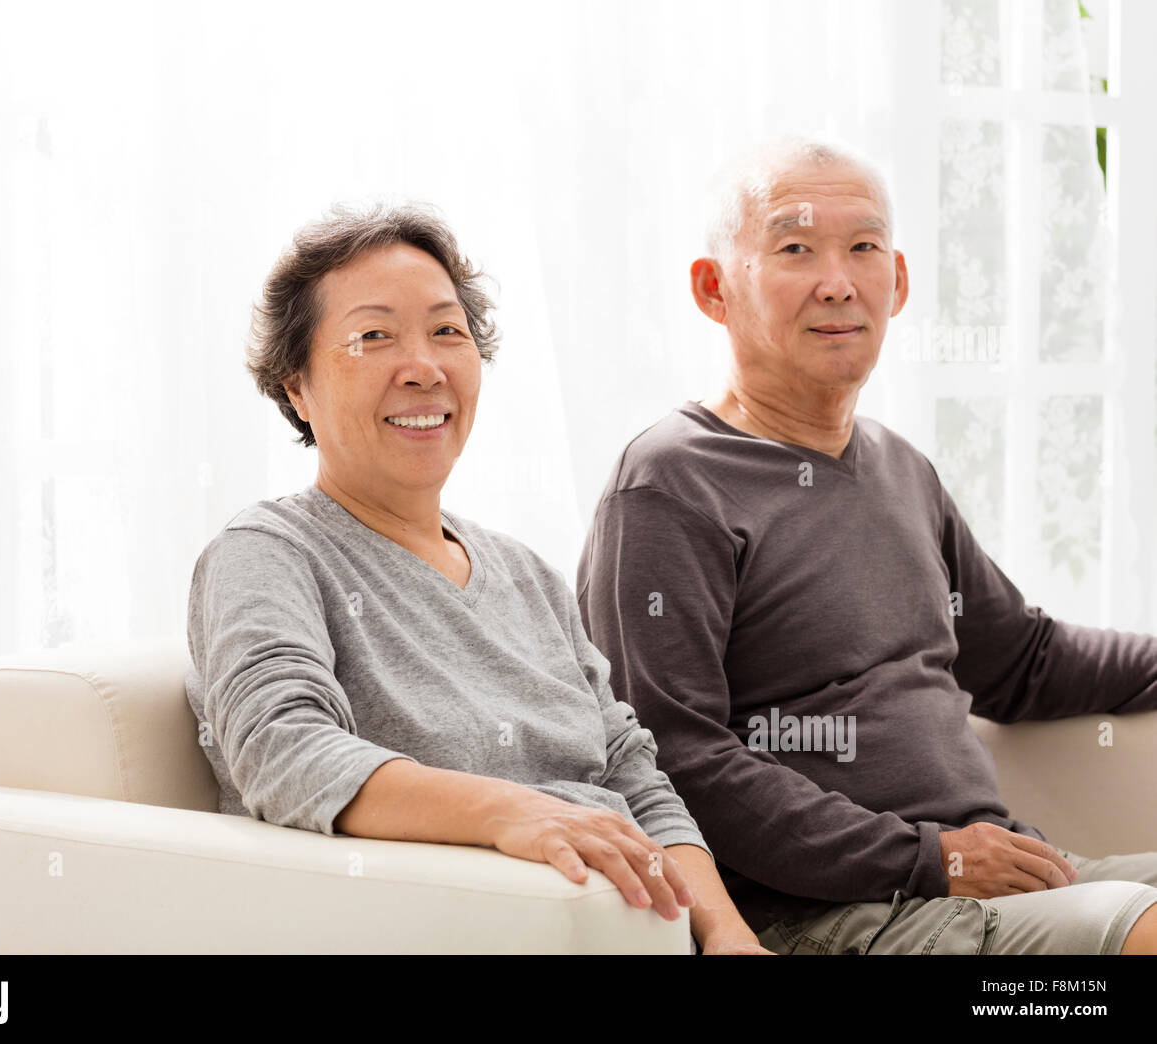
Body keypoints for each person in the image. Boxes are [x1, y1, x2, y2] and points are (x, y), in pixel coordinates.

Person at [576, 135, 1157, 955]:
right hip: (839, 914)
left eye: (863, 249)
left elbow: (1022, 661)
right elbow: (672, 757)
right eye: (794, 250)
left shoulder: (898, 467)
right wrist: (931, 858)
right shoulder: (668, 484)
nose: (838, 283)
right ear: (714, 289)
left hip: (998, 878)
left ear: (900, 280)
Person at [183, 201, 770, 954]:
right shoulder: (267, 552)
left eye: (447, 332)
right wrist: (511, 813)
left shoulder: (527, 574)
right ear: (297, 386)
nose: (424, 367)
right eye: (373, 337)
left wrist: (725, 932)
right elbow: (283, 752)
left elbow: (631, 770)